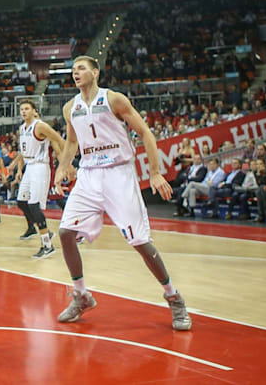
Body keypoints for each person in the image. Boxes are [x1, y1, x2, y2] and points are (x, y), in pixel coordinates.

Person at [53, 56, 191, 331]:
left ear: (95, 72)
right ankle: (81, 295)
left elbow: (145, 133)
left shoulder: (114, 99)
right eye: (73, 69)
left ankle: (174, 297)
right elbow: (71, 141)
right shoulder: (71, 107)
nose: (75, 73)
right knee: (66, 232)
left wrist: (154, 172)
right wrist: (63, 165)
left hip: (119, 174)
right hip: (89, 175)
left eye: (81, 68)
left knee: (140, 241)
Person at [9, 100, 65, 258]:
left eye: (27, 109)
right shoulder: (22, 128)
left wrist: (66, 161)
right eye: (21, 109)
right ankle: (42, 229)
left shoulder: (40, 125)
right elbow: (23, 151)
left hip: (40, 167)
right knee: (21, 201)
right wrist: (18, 168)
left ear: (34, 111)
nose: (23, 111)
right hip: (28, 166)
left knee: (34, 205)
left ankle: (47, 245)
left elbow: (58, 139)